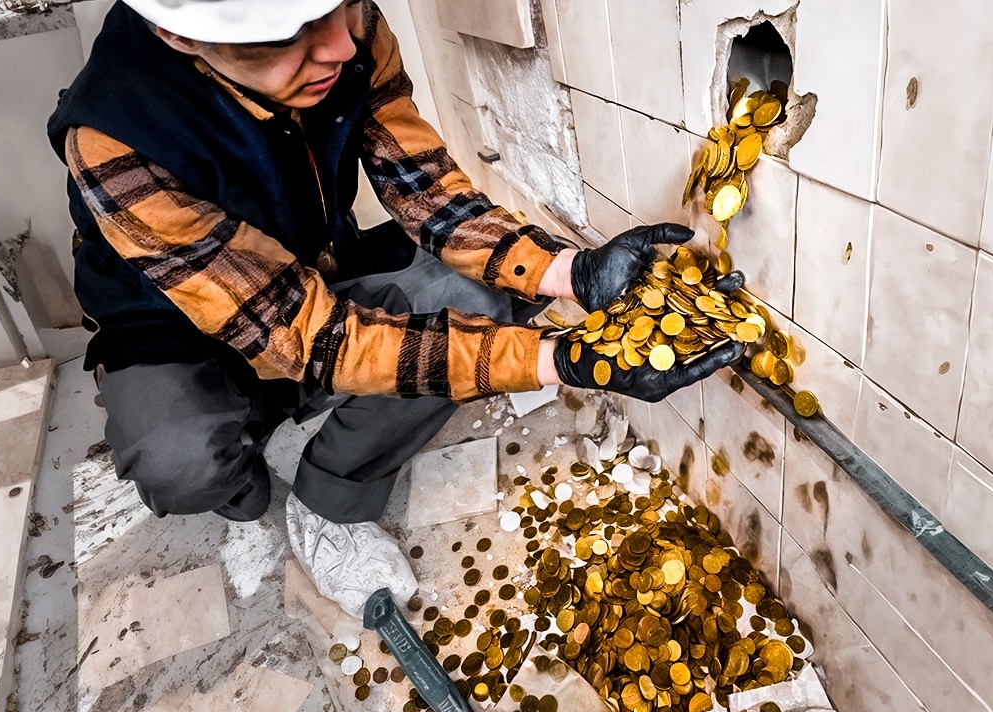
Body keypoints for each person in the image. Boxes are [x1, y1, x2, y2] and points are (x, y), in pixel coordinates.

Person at [47, 0, 743, 616]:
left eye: (340, 6)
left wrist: (571, 272)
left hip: (310, 267)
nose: (341, 47)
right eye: (288, 33)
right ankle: (248, 503)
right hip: (170, 323)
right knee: (181, 459)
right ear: (178, 34)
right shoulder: (113, 133)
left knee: (485, 295)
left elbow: (426, 189)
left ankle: (331, 501)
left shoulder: (352, 28)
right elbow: (309, 338)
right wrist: (559, 361)